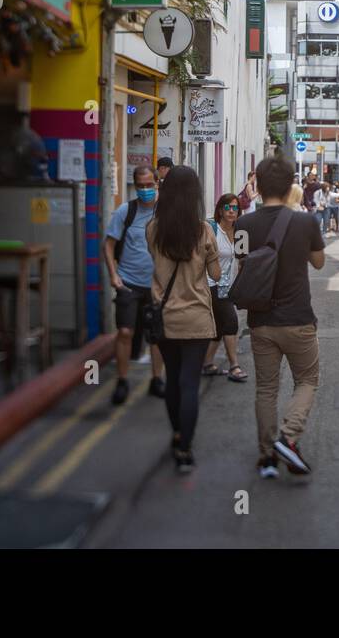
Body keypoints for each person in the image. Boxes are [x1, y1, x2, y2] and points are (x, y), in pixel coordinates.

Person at [236, 153, 325, 478]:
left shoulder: (244, 224)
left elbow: (243, 263)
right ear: (291, 187)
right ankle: (288, 436)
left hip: (261, 320)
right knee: (307, 380)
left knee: (266, 389)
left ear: (257, 185)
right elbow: (318, 263)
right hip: (299, 318)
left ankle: (267, 457)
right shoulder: (305, 222)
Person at [146, 164, 220, 472]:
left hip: (165, 317)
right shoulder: (203, 230)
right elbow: (215, 274)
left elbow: (157, 263)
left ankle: (177, 432)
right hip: (197, 318)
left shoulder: (153, 228)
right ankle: (185, 448)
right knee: (190, 383)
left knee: (173, 380)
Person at [103, 165, 166, 405]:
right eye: (140, 186)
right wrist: (113, 275)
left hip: (157, 284)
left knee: (156, 335)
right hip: (128, 282)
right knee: (124, 332)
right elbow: (108, 245)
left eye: (149, 185)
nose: (145, 190)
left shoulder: (165, 213)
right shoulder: (125, 212)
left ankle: (156, 379)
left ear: (157, 183)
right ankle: (122, 380)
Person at [202, 193, 248, 382]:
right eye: (227, 207)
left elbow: (243, 260)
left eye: (235, 208)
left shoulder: (241, 232)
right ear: (220, 210)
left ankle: (207, 363)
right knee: (231, 323)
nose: (231, 211)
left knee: (220, 328)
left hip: (229, 286)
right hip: (210, 284)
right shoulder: (211, 228)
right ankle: (234, 366)